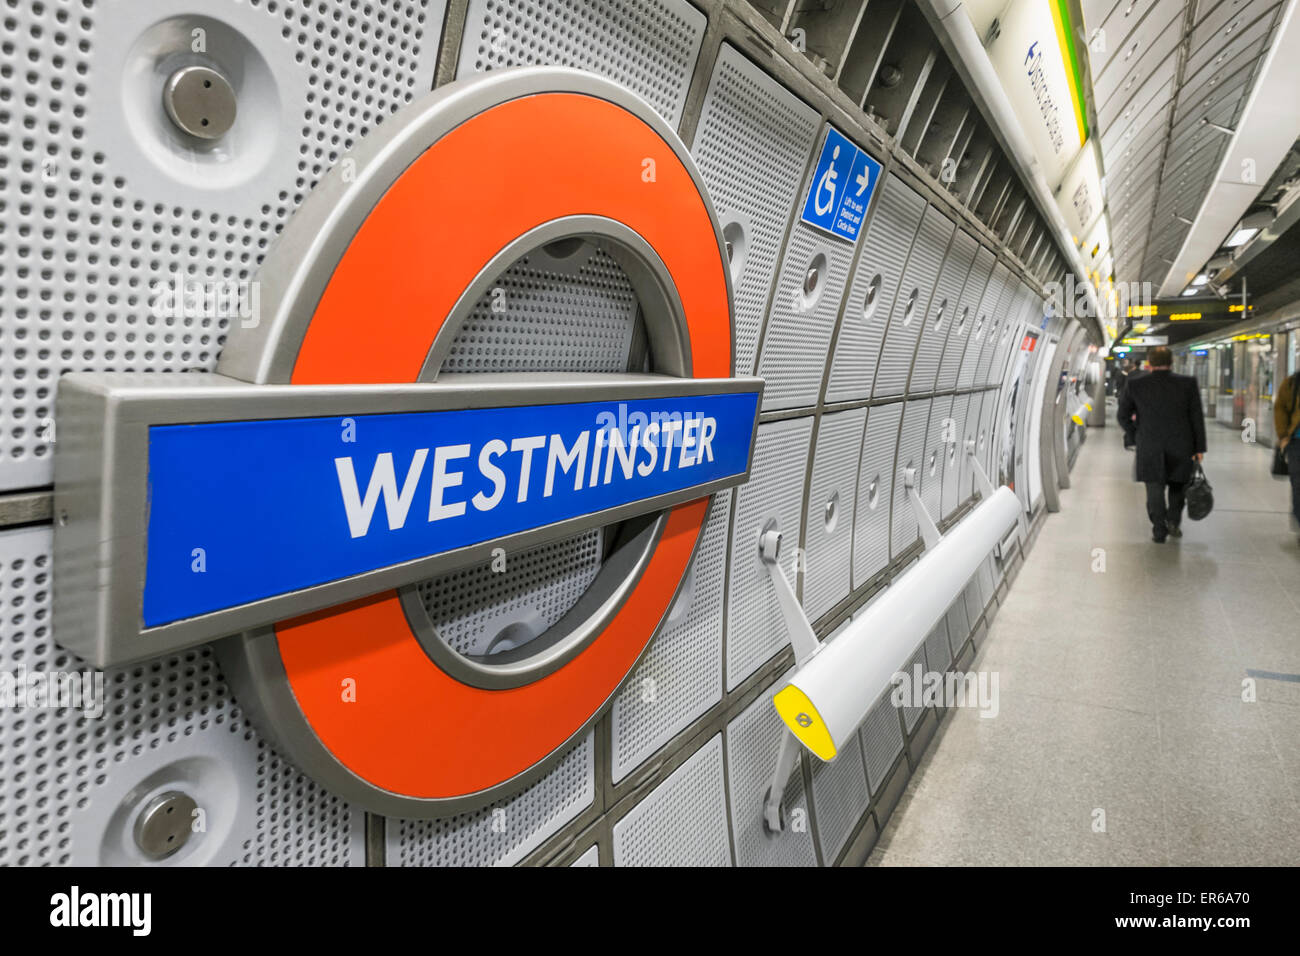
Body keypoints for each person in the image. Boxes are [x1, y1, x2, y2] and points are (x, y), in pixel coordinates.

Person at [1117, 346, 1206, 542]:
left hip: (1149, 445)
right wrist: (1199, 448)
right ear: (1171, 362)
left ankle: (1159, 528)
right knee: (1178, 487)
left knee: (1154, 488)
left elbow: (1122, 415)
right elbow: (1196, 418)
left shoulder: (1136, 385)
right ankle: (1173, 520)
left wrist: (1135, 434)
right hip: (1182, 446)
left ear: (1149, 363)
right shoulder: (1188, 384)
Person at [1274, 368, 1300, 540]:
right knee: (1298, 483)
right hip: (1296, 442)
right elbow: (1280, 409)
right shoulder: (1291, 383)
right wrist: (1283, 435)